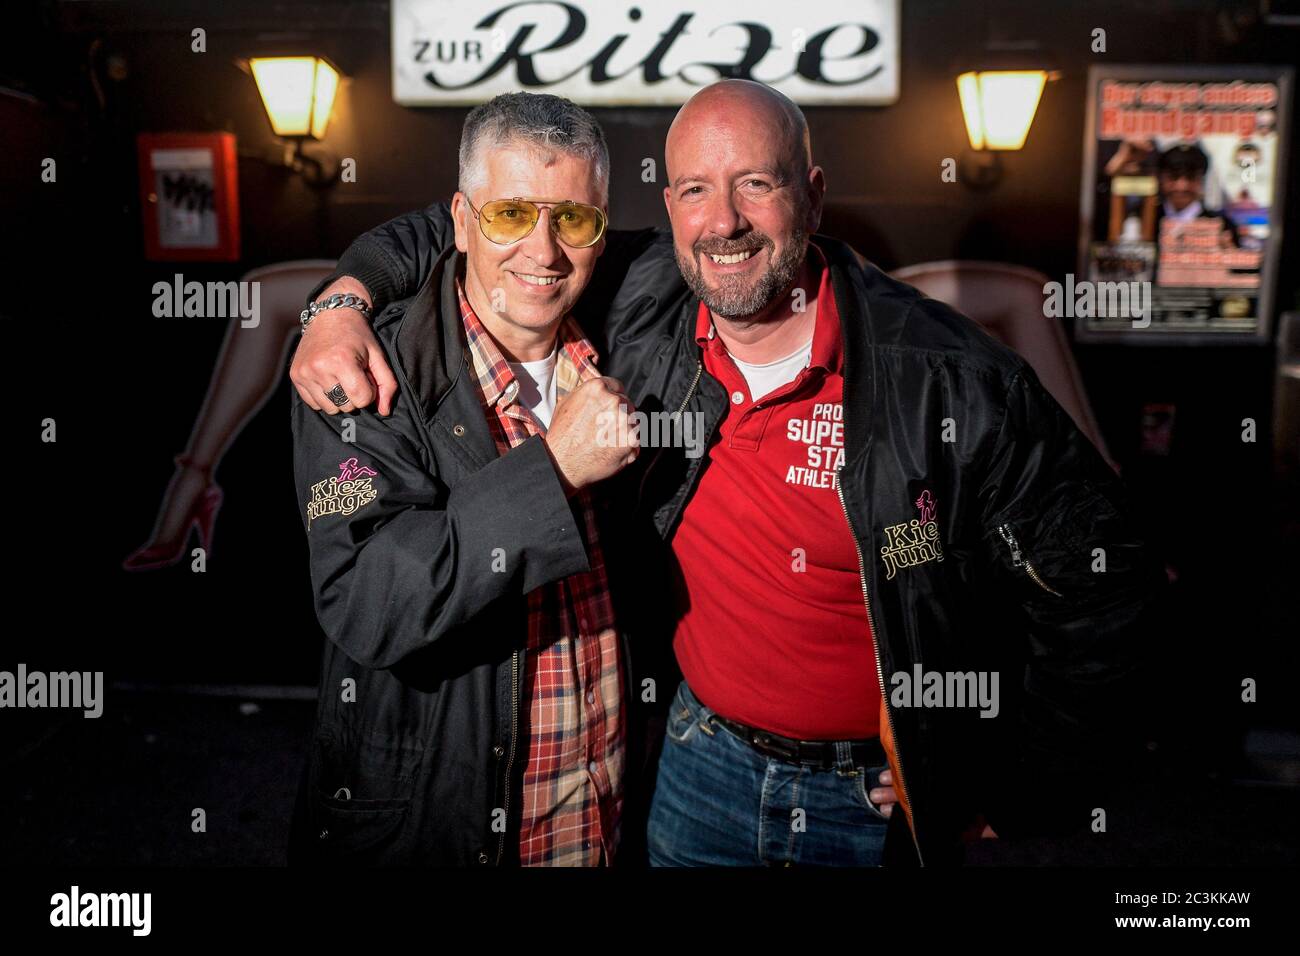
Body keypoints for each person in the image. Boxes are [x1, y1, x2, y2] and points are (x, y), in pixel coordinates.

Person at [292, 80, 1166, 867]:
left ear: (812, 195)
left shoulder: (931, 374)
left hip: (851, 805)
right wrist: (340, 299)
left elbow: (1104, 580)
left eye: (756, 183)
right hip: (677, 777)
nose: (724, 223)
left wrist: (1016, 784)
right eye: (695, 192)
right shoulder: (377, 372)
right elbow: (368, 598)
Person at [288, 92, 651, 866]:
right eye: (511, 214)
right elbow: (367, 599)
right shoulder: (363, 374)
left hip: (603, 829)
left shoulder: (626, 333)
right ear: (460, 220)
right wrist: (553, 471)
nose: (544, 250)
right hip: (445, 834)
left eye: (573, 220)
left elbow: (751, 247)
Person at [1155, 143, 1240, 248]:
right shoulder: (1147, 220)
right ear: (1161, 179)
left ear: (1201, 180)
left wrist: (1228, 252)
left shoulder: (1222, 225)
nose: (1181, 186)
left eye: (1190, 178)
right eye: (1173, 177)